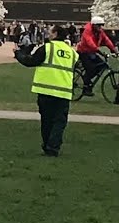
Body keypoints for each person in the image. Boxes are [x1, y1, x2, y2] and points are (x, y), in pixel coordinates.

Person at [15, 24, 77, 157]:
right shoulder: (72, 52)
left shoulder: (48, 48)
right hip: (64, 91)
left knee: (47, 120)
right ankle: (53, 147)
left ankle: (48, 145)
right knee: (60, 121)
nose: (48, 34)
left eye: (50, 32)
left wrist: (18, 53)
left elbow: (30, 61)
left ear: (55, 34)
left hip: (46, 90)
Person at [75, 16, 116, 96]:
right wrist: (99, 51)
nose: (100, 27)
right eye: (99, 25)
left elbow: (106, 40)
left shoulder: (100, 32)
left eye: (101, 25)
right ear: (94, 25)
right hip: (83, 52)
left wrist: (114, 49)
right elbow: (89, 42)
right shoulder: (87, 31)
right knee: (90, 68)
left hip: (92, 52)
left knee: (102, 65)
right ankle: (86, 87)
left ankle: (87, 79)